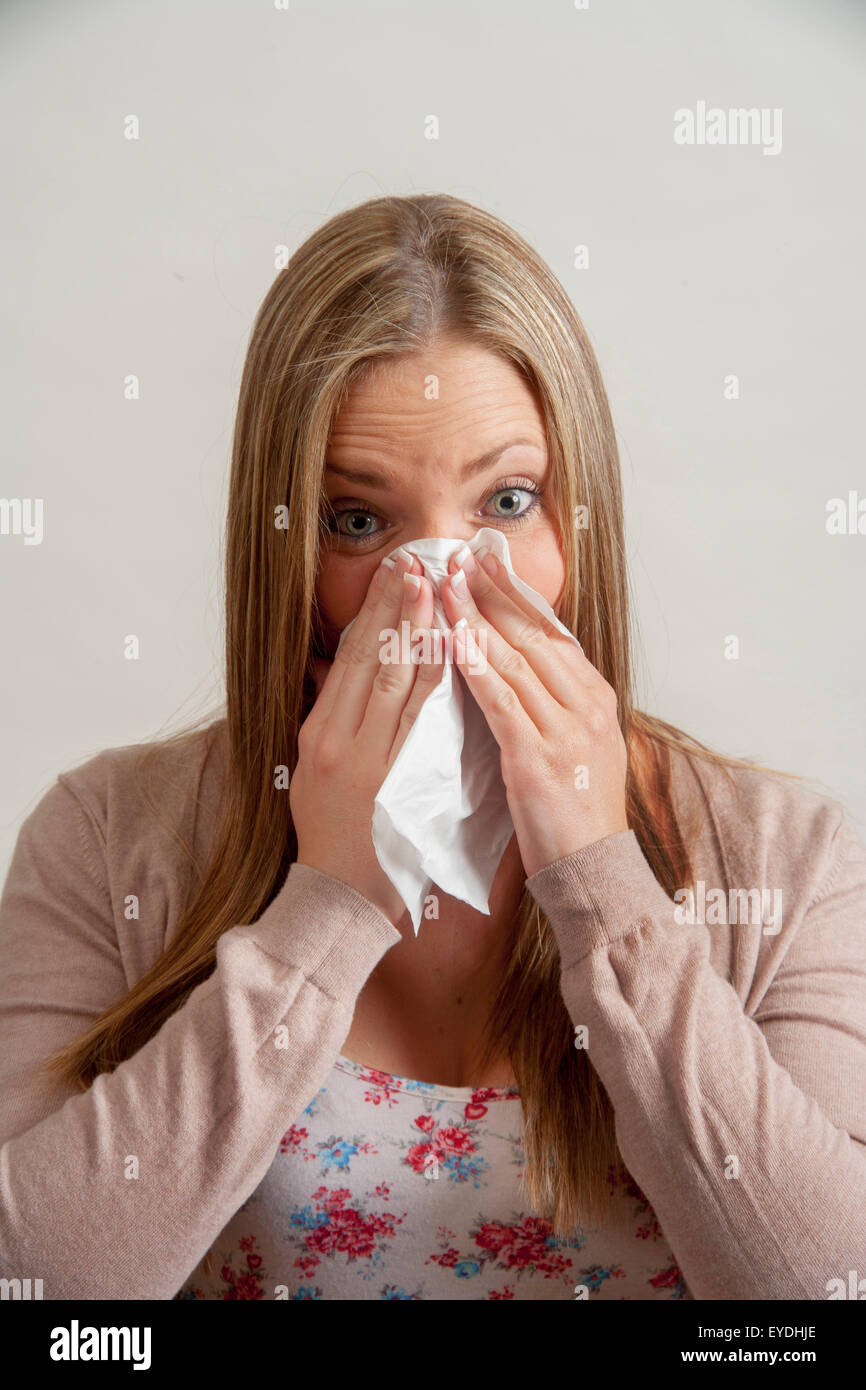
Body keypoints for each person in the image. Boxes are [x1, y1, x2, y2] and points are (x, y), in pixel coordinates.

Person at [1, 194, 864, 1301]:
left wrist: (602, 882)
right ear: (282, 544)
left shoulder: (781, 858)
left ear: (575, 519)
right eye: (359, 522)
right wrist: (326, 901)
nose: (439, 585)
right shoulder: (106, 836)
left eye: (505, 501)